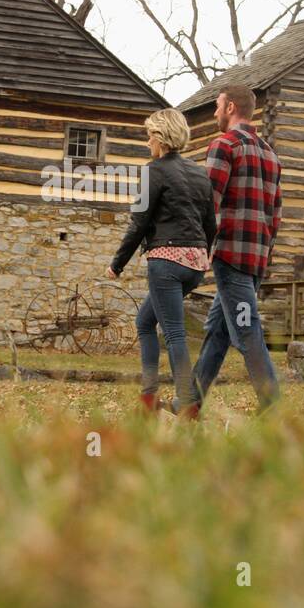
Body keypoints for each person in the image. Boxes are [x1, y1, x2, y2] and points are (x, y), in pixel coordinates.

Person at [178, 85, 282, 418]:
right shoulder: (270, 154)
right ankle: (189, 404)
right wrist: (263, 253)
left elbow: (208, 205)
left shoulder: (223, 146)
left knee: (246, 329)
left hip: (230, 257)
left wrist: (197, 249)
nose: (214, 113)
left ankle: (274, 412)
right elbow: (275, 215)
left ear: (231, 107)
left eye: (217, 106)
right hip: (255, 258)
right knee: (219, 332)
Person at [107, 108, 216, 413]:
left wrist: (117, 264)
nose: (147, 143)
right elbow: (211, 226)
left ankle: (188, 403)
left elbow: (138, 223)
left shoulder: (151, 171)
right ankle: (149, 396)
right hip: (194, 263)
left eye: (149, 136)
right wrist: (200, 253)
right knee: (144, 322)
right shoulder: (199, 173)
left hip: (166, 262)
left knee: (174, 333)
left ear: (161, 137)